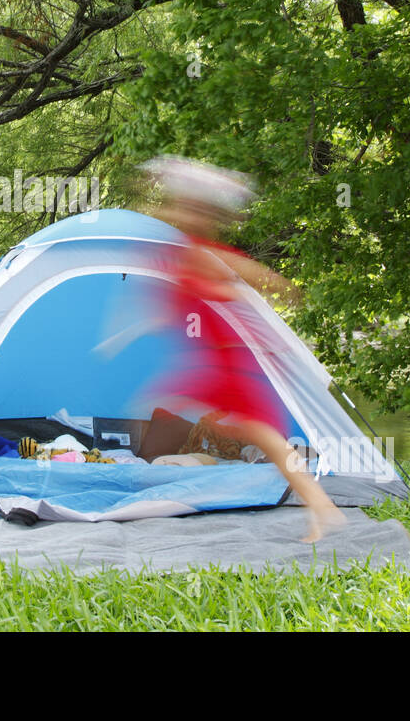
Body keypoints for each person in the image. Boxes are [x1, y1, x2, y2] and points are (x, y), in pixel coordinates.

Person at [138, 154, 345, 543]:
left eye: (187, 209)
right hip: (215, 368)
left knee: (265, 435)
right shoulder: (186, 253)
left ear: (204, 215)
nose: (175, 214)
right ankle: (322, 509)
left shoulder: (205, 255)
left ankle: (322, 509)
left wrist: (287, 294)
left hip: (230, 365)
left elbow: (263, 279)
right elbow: (177, 302)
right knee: (250, 429)